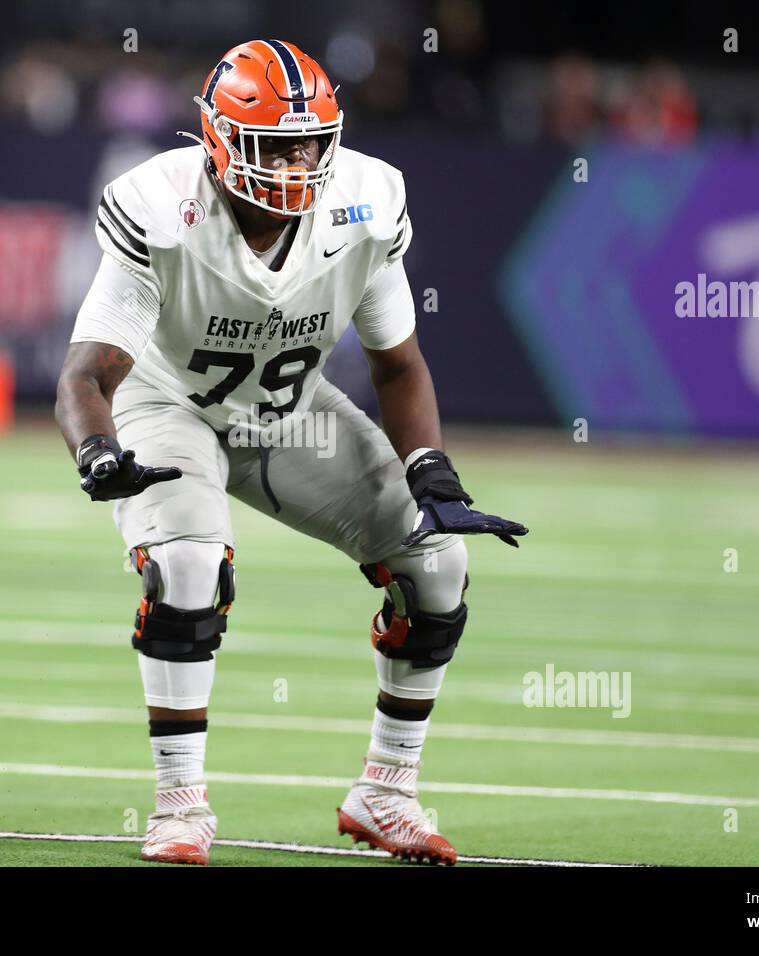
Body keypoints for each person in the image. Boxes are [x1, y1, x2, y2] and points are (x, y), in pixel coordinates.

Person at [55, 39, 527, 865]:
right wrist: (98, 451)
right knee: (192, 565)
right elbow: (85, 375)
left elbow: (399, 362)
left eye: (310, 142)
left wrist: (432, 473)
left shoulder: (366, 204)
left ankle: (387, 790)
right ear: (219, 138)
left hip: (286, 412)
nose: (298, 160)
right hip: (169, 405)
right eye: (277, 143)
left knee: (439, 563)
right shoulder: (165, 208)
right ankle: (179, 807)